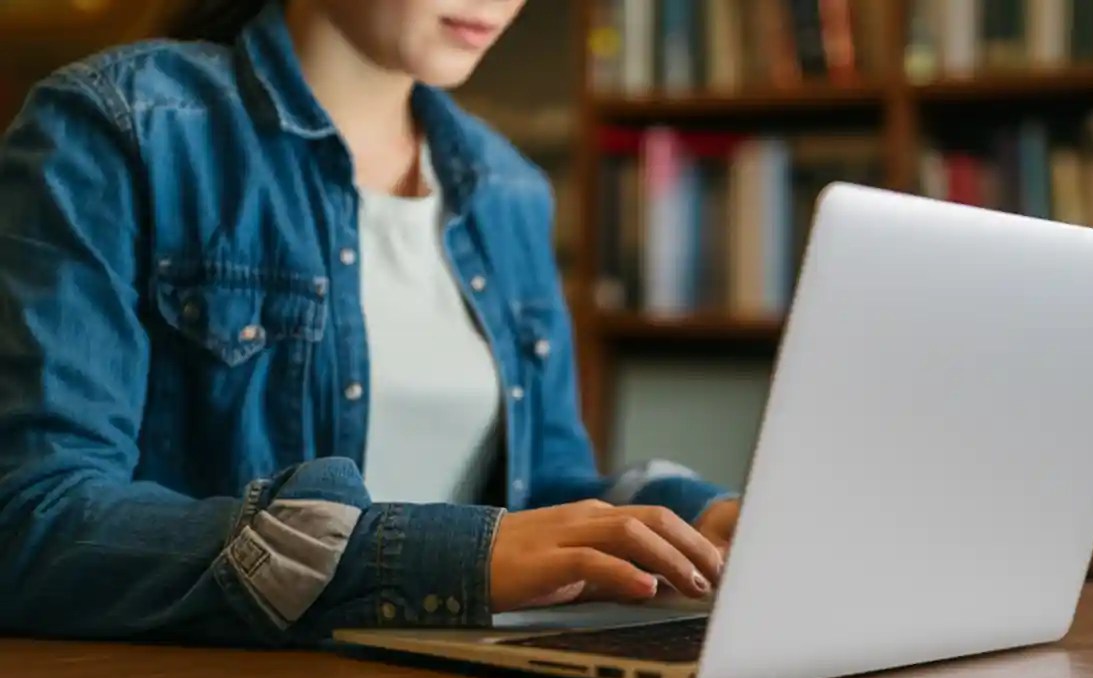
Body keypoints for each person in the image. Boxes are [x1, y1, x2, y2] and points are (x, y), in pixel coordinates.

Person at [0, 0, 740, 645]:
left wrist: (689, 521)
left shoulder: (506, 187)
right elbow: (35, 518)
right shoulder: (116, 127)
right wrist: (447, 558)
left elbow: (540, 487)